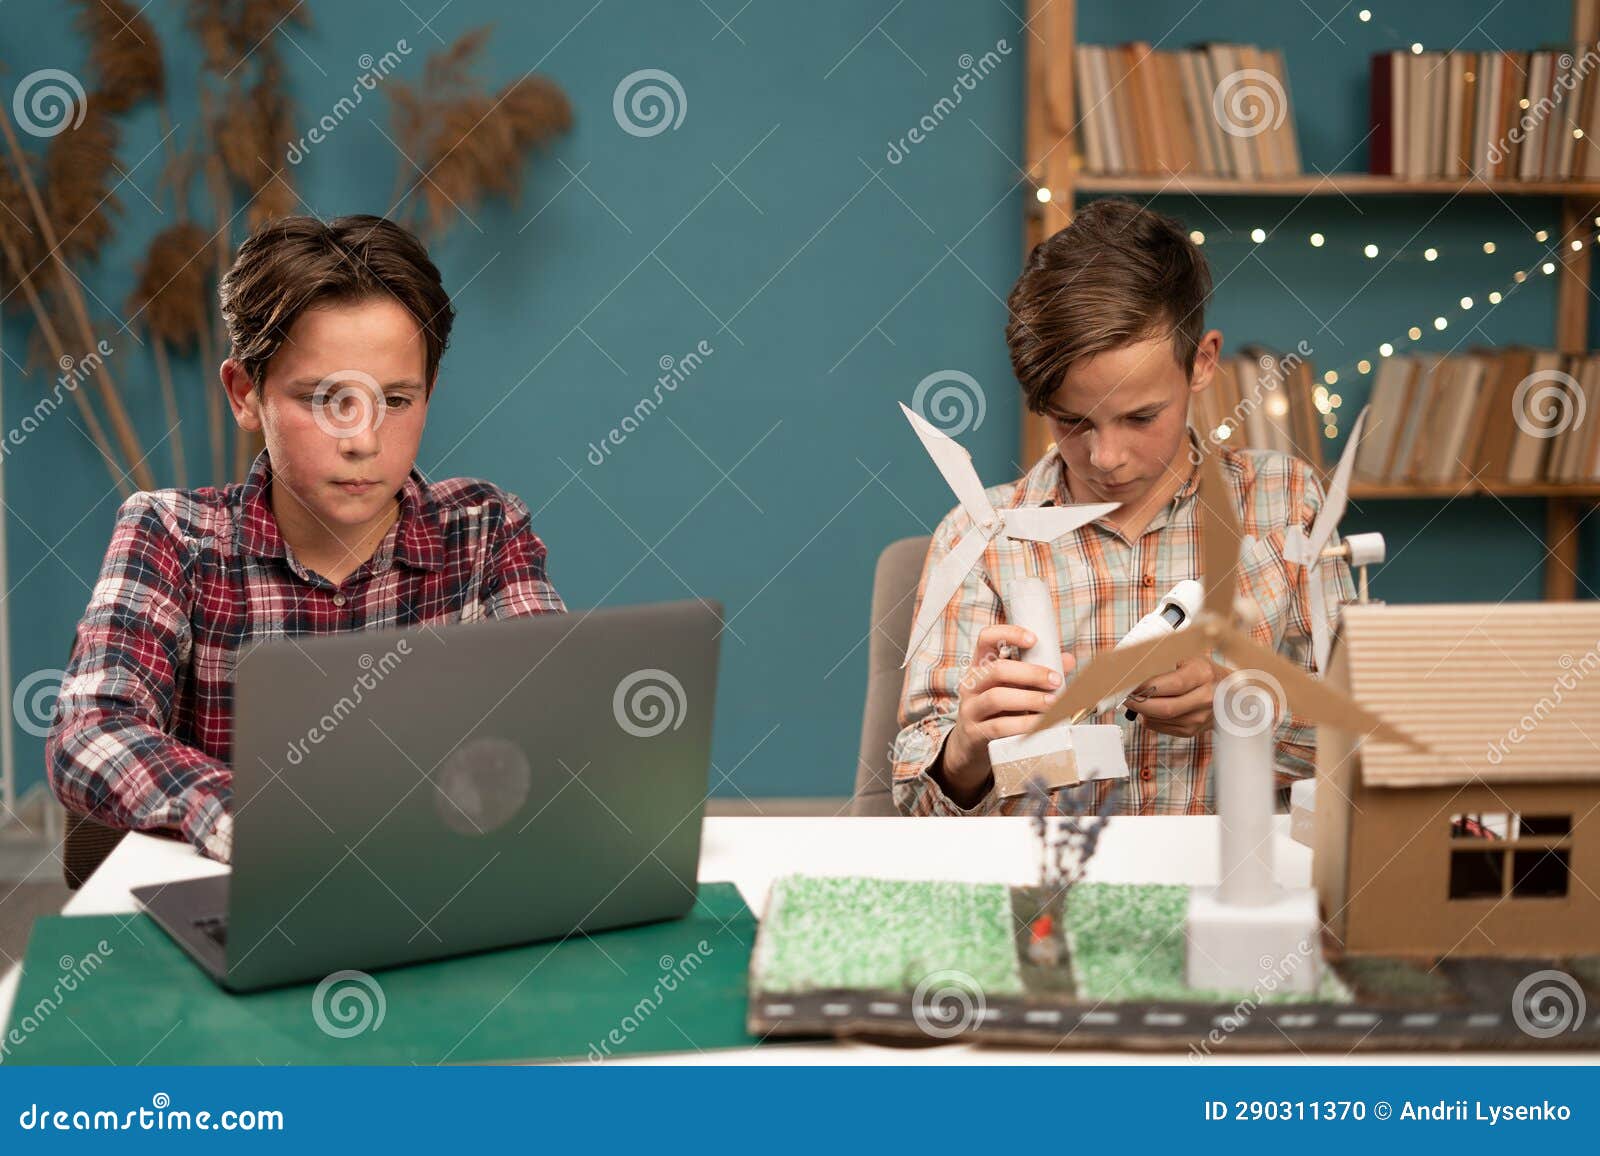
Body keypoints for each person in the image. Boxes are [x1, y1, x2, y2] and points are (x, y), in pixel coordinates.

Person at [45, 214, 565, 862]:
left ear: (429, 393)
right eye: (325, 400)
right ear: (245, 394)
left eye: (395, 401)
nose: (362, 441)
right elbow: (90, 731)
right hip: (244, 889)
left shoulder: (485, 532)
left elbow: (557, 720)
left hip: (437, 884)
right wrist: (249, 818)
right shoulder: (172, 535)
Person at [892, 197, 1354, 816]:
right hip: (1052, 873)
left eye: (1140, 417)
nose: (1106, 457)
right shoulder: (980, 538)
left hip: (1232, 870)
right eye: (1072, 421)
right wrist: (965, 753)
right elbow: (915, 803)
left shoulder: (1285, 504)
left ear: (1202, 362)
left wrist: (1244, 703)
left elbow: (1363, 743)